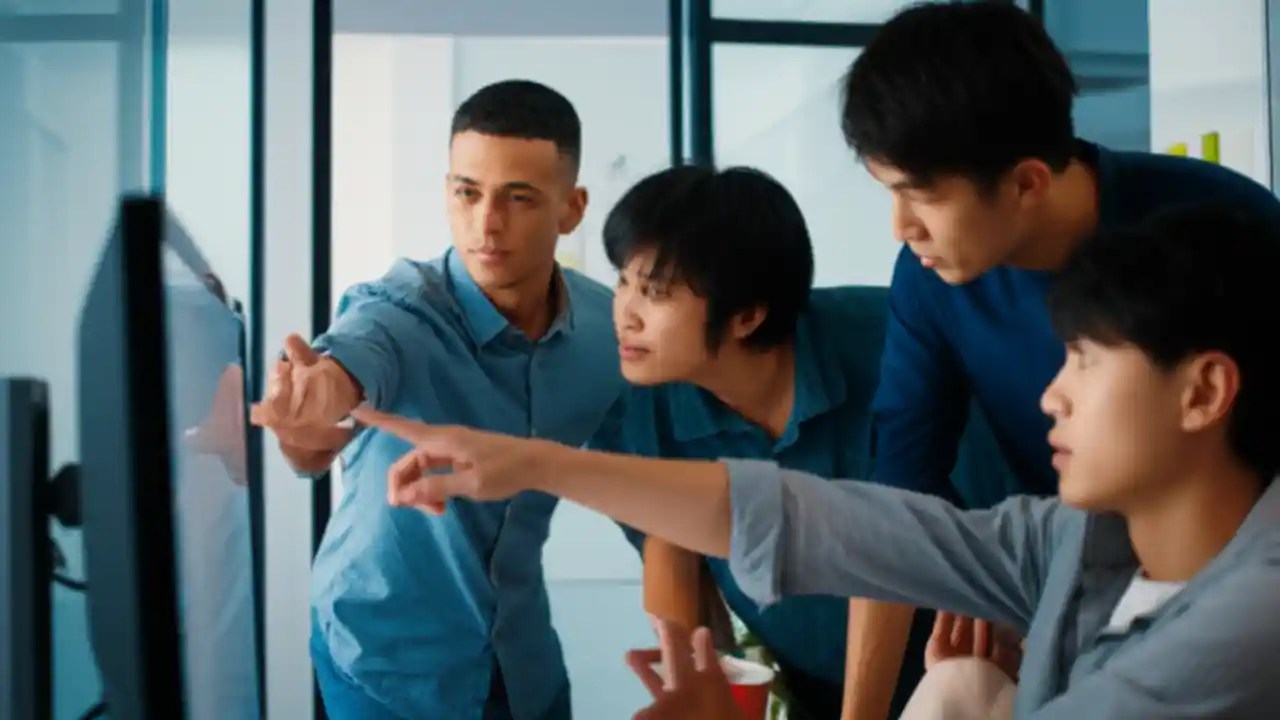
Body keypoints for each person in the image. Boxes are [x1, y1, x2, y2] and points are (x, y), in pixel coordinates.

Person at [354, 201, 1280, 718]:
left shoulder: (1248, 620)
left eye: (1086, 362)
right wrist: (533, 463)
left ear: (1203, 391)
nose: (1050, 395)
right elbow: (821, 524)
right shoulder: (1070, 538)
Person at [836, 2, 1280, 705]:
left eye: (919, 195)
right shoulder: (929, 279)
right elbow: (898, 503)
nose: (901, 227)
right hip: (1080, 595)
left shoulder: (1222, 228)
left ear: (1026, 183)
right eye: (889, 192)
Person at [251, 80, 624, 719]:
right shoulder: (400, 307)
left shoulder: (604, 330)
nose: (487, 224)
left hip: (520, 652)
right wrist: (313, 403)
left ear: (571, 208)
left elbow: (646, 477)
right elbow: (344, 376)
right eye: (467, 193)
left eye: (519, 198)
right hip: (385, 660)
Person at [589, 164, 932, 718]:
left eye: (654, 293)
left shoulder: (894, 347)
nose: (625, 314)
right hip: (814, 686)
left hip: (979, 670)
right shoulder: (643, 404)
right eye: (623, 282)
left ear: (746, 316)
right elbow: (670, 551)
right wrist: (698, 692)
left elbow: (890, 558)